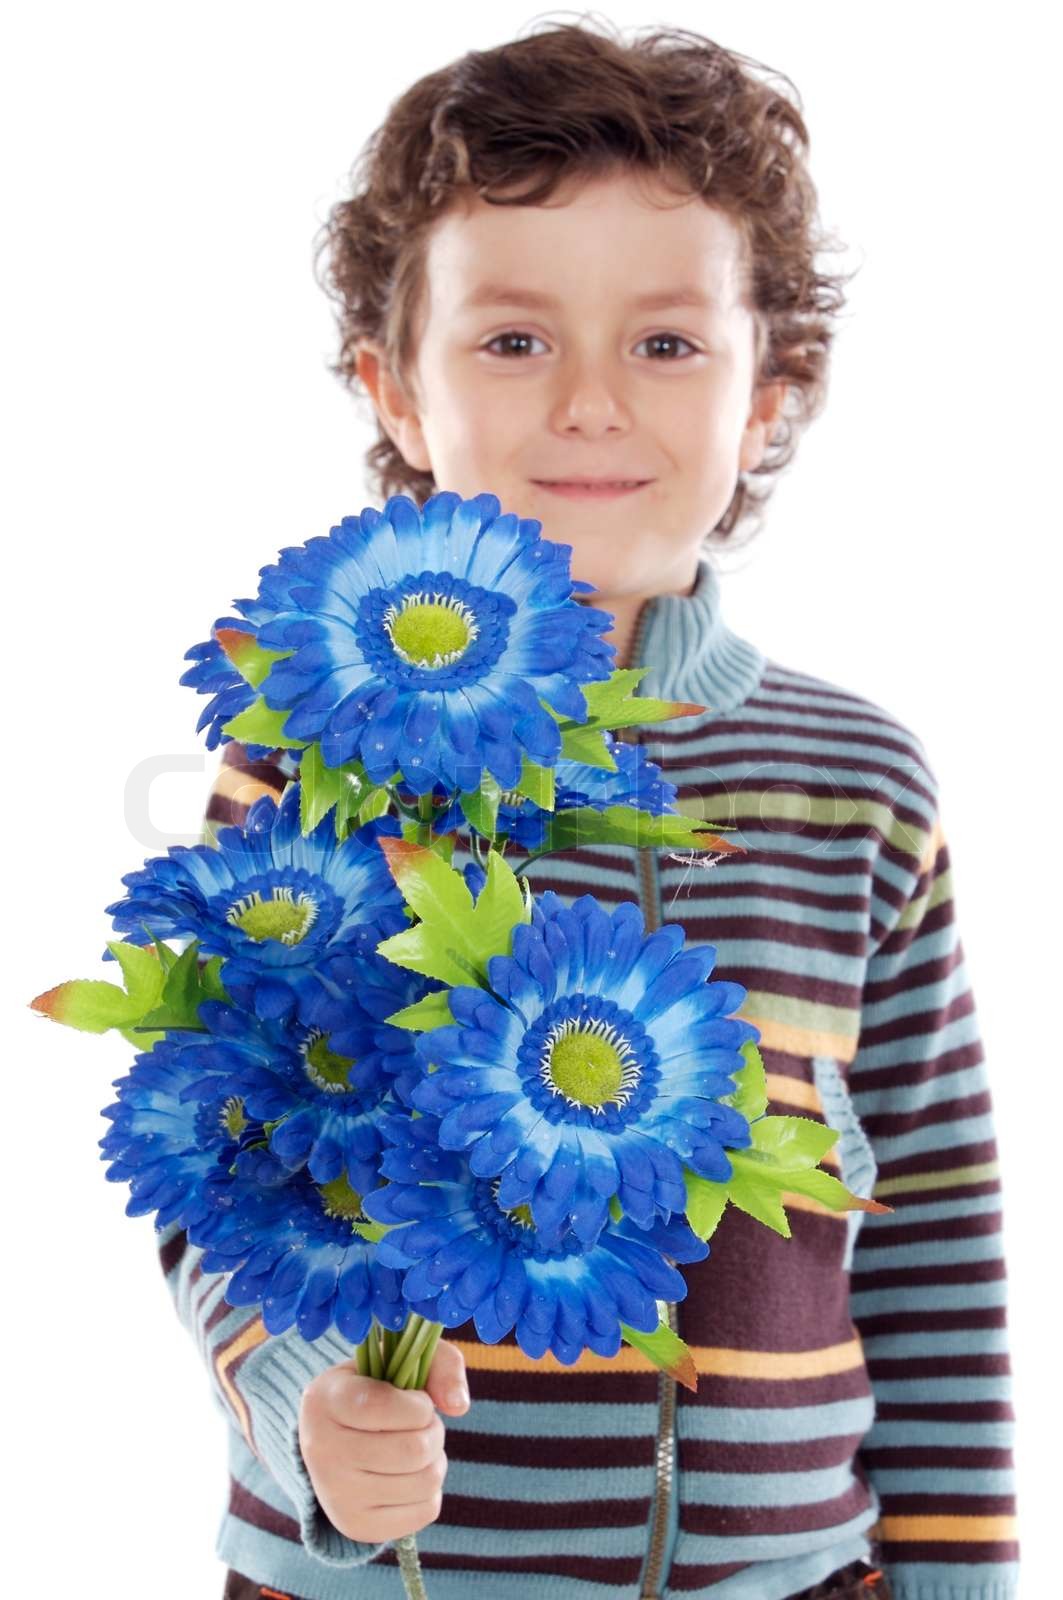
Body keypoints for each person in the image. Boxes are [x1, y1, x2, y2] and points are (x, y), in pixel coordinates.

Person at [160, 20, 1019, 1600]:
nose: (591, 403)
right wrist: (300, 1403)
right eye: (513, 340)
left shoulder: (866, 786)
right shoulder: (309, 755)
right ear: (395, 394)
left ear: (770, 398)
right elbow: (214, 1163)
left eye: (667, 344)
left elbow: (937, 1260)